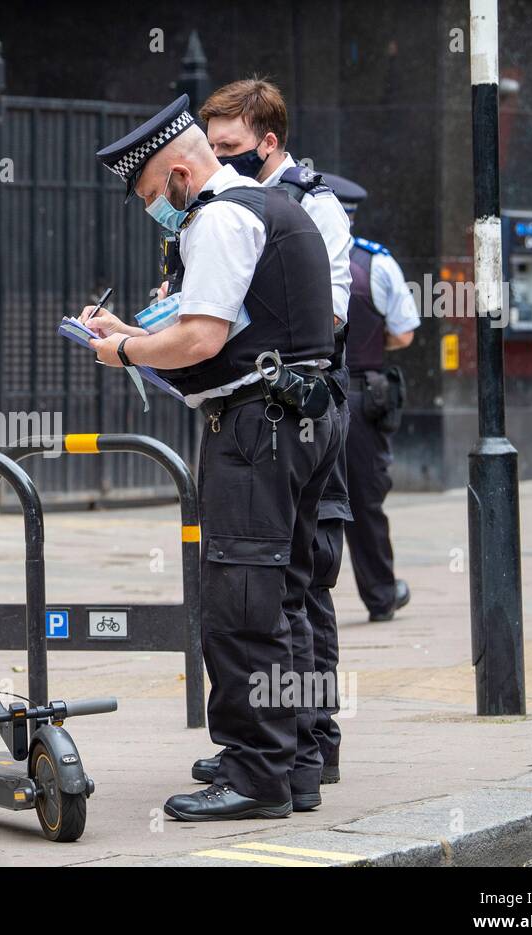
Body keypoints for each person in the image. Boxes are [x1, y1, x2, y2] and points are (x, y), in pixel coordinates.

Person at [86, 94, 340, 821]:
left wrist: (121, 349)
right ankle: (291, 766)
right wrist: (135, 331)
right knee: (285, 602)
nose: (151, 212)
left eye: (148, 196)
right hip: (296, 419)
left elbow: (199, 340)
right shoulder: (262, 209)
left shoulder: (222, 217)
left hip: (256, 432)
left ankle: (254, 776)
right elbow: (230, 334)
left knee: (241, 607)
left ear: (178, 173)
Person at [192, 77, 353, 790]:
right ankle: (293, 752)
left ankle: (312, 744)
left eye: (231, 148)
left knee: (302, 586)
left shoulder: (313, 206)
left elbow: (331, 316)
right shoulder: (235, 207)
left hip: (300, 406)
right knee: (285, 586)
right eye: (213, 147)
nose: (221, 161)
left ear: (270, 141)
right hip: (275, 407)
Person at [322, 174, 421, 623]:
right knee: (365, 502)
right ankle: (381, 596)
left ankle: (300, 601)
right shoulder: (376, 262)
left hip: (303, 396)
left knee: (308, 501)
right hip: (361, 396)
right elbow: (403, 332)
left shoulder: (289, 254)